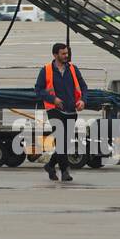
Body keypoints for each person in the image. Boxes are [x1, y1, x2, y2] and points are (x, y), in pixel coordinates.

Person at [34, 41, 87, 183]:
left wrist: (82, 100)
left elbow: (83, 87)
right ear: (55, 54)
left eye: (67, 53)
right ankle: (65, 171)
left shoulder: (73, 69)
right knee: (62, 141)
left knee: (66, 143)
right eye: (63, 53)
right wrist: (53, 99)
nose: (66, 56)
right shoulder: (46, 70)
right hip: (55, 110)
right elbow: (38, 90)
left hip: (71, 110)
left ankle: (50, 165)